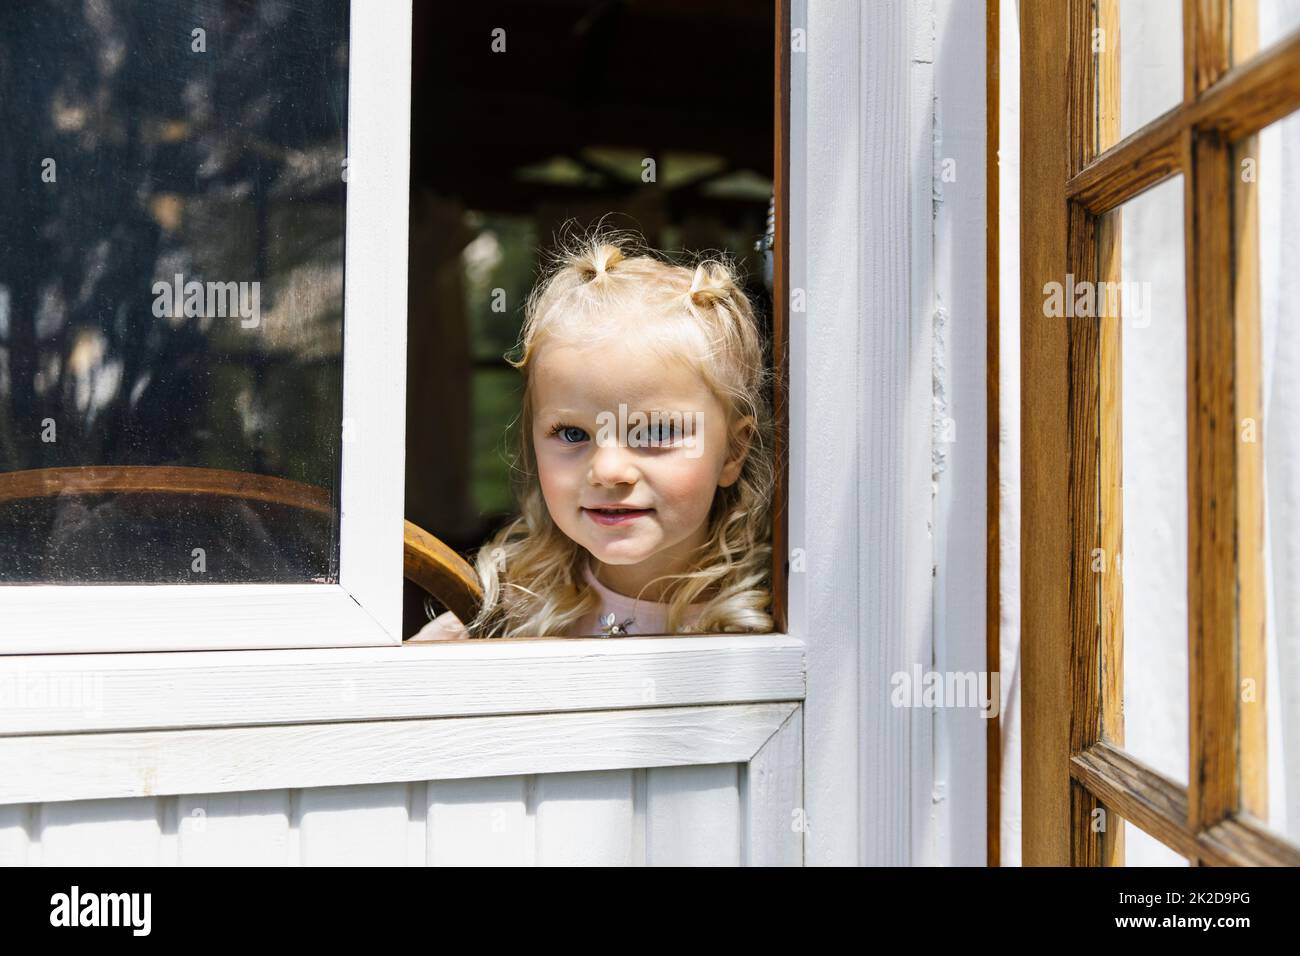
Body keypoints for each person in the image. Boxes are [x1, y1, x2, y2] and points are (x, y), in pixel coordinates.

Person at [412, 225, 776, 640]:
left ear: (733, 451)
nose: (608, 470)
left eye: (655, 431)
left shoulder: (773, 617)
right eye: (571, 433)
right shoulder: (504, 614)